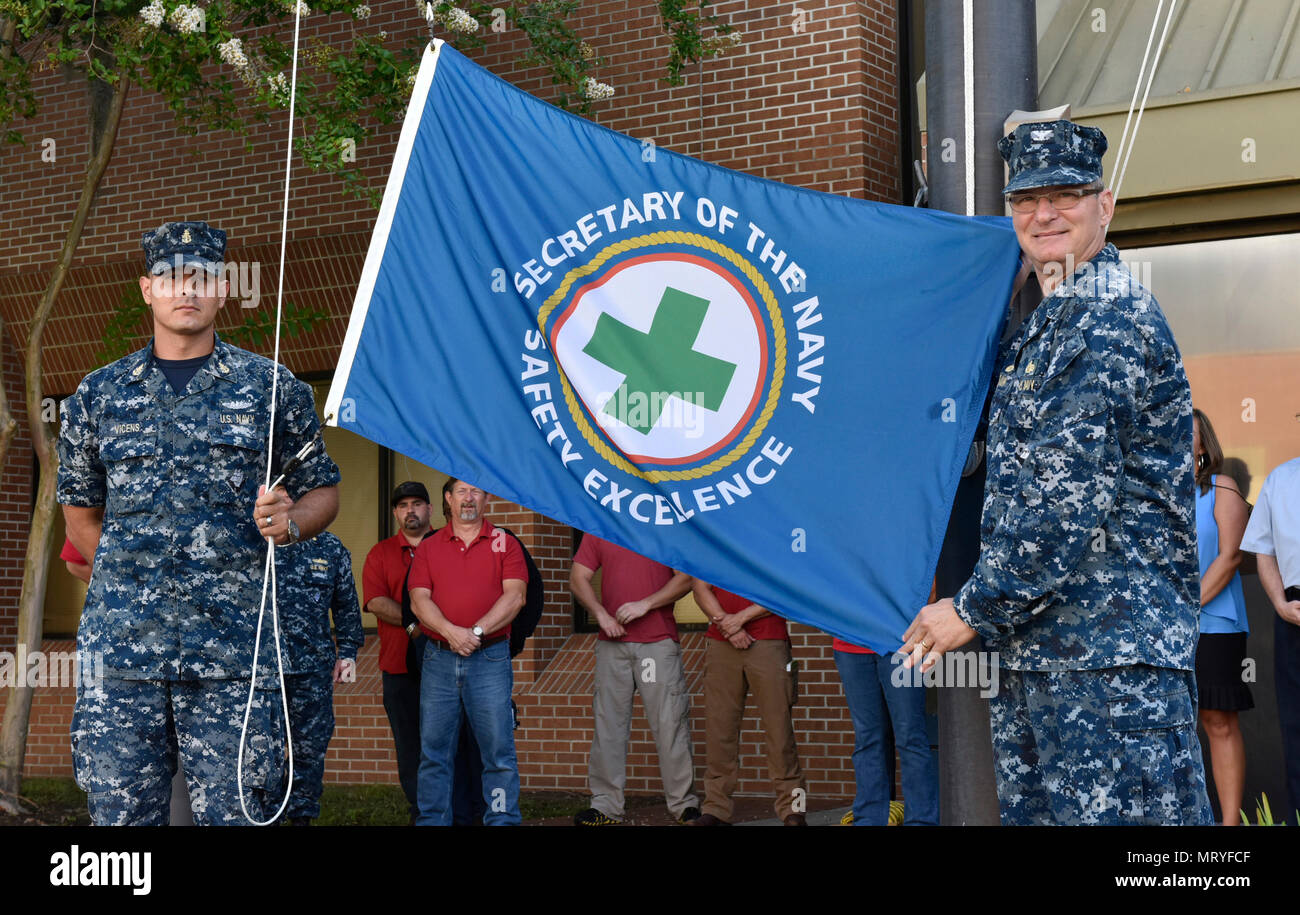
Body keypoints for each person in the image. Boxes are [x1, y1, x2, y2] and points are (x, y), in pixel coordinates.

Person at [901, 121, 1213, 825]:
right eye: (1025, 198)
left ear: (1105, 207)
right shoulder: (1050, 325)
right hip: (1050, 663)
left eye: (1066, 195)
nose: (1044, 213)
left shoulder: (1102, 320)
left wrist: (971, 607)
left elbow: (1061, 509)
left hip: (1110, 673)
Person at [58, 220, 340, 826]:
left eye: (203, 278)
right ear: (146, 290)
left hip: (236, 655)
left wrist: (291, 523)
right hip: (124, 657)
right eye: (170, 278)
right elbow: (81, 514)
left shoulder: (270, 388)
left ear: (223, 291)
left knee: (240, 814)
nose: (187, 290)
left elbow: (323, 491)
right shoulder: (97, 395)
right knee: (121, 823)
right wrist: (135, 582)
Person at [408, 478, 526, 825]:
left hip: (489, 657)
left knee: (498, 751)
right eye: (462, 491)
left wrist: (474, 632)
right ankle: (432, 821)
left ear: (487, 498)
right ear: (448, 499)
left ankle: (502, 819)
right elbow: (418, 599)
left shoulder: (506, 543)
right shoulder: (430, 546)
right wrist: (451, 632)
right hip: (439, 658)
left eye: (476, 491)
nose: (469, 498)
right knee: (434, 753)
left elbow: (515, 597)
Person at [568, 534, 700, 826]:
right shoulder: (600, 524)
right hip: (611, 643)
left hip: (656, 643)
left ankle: (684, 806)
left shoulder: (661, 523)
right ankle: (606, 807)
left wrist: (646, 604)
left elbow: (687, 578)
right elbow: (578, 577)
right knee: (608, 725)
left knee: (670, 723)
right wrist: (600, 615)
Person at [690, 580, 805, 826]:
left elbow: (783, 588)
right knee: (720, 731)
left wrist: (739, 619)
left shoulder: (773, 541)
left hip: (769, 641)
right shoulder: (717, 542)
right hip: (721, 643)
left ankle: (793, 809)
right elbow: (699, 588)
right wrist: (728, 627)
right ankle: (716, 809)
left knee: (780, 731)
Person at [276, 530, 364, 825]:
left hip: (312, 670)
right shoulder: (253, 538)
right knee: (263, 753)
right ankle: (266, 815)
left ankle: (301, 818)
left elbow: (346, 604)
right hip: (262, 674)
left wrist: (348, 652)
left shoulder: (329, 546)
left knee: (310, 751)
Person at [1191, 408, 1252, 825]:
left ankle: (1229, 824)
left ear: (1202, 444)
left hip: (1215, 624)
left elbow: (1230, 556)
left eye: (1187, 432)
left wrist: (1185, 607)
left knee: (1217, 720)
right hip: (1159, 629)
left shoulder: (1220, 486)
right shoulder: (1149, 494)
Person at [362, 481, 434, 823]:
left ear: (430, 509)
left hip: (447, 664)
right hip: (399, 667)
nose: (411, 511)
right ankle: (421, 812)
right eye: (403, 505)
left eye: (417, 503)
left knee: (452, 741)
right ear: (394, 512)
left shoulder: (447, 546)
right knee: (410, 745)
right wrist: (418, 626)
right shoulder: (381, 553)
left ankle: (456, 807)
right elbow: (375, 601)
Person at [1240, 453, 1300, 820]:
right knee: (1296, 726)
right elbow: (1264, 550)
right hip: (1293, 615)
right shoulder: (1280, 479)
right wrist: (1279, 604)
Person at [833, 634, 938, 825]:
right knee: (867, 739)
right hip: (850, 645)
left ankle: (922, 820)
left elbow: (928, 602)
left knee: (910, 737)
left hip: (902, 644)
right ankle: (868, 820)